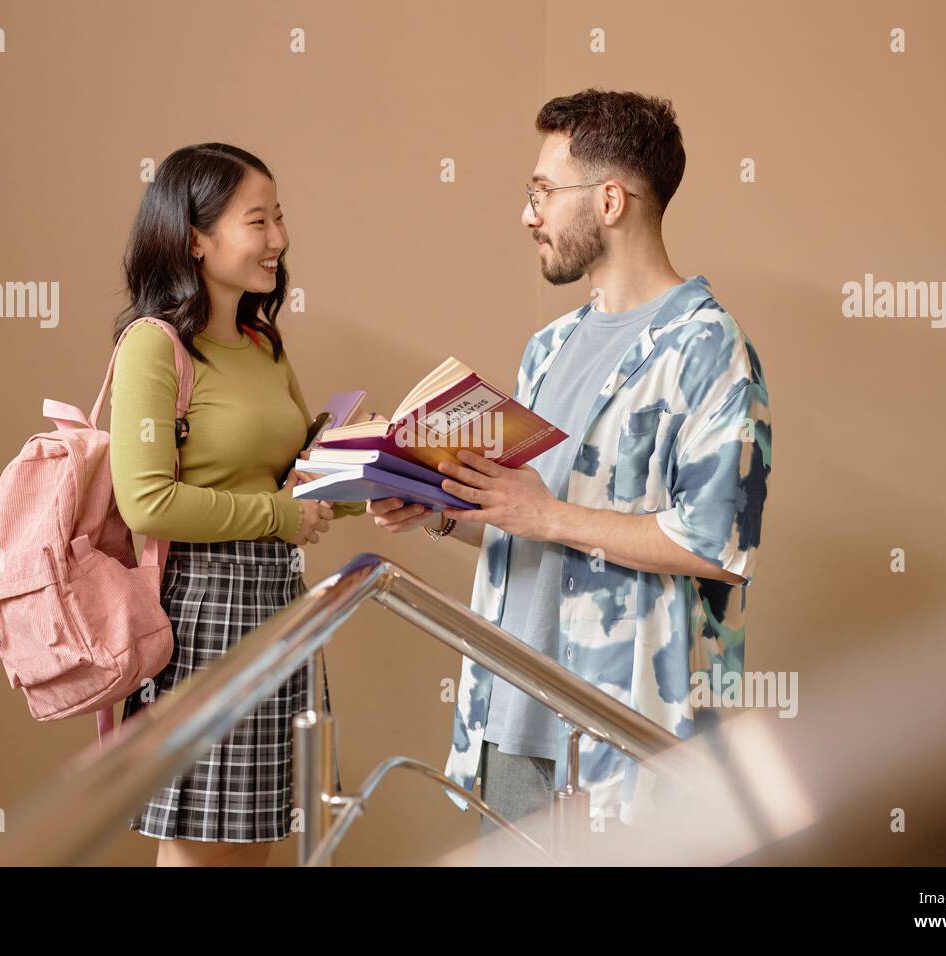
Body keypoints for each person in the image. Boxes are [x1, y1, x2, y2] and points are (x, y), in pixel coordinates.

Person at [368, 89, 772, 845]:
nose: (529, 215)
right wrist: (443, 508)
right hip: (512, 719)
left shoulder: (708, 348)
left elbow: (715, 547)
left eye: (543, 192)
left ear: (611, 200)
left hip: (627, 733)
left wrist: (544, 513)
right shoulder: (547, 348)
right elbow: (533, 530)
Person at [109, 143, 364, 866]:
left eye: (279, 219)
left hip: (278, 609)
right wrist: (282, 516)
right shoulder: (153, 348)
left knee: (256, 850)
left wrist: (380, 471)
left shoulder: (264, 343)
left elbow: (293, 485)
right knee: (199, 852)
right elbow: (147, 503)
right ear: (195, 236)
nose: (279, 239)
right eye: (259, 221)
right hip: (201, 624)